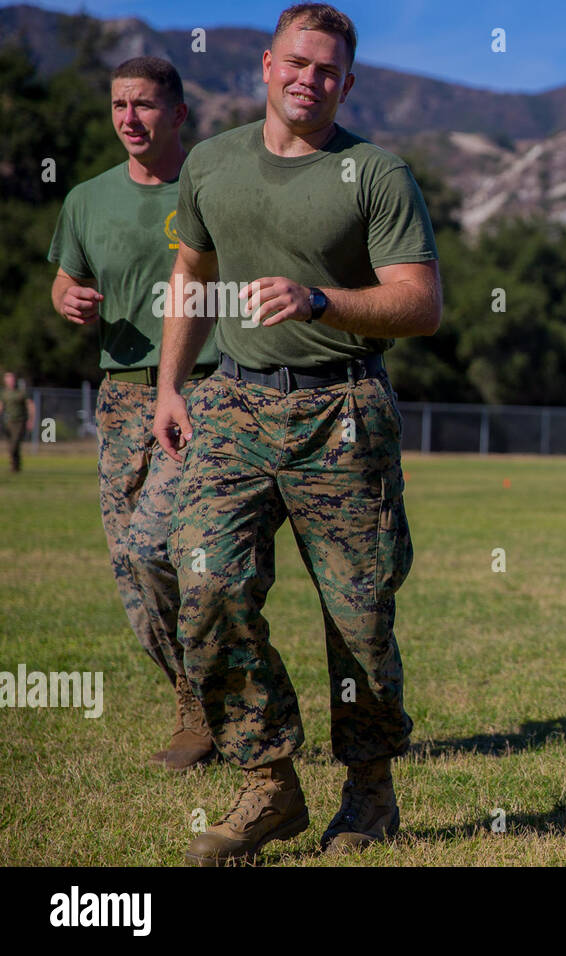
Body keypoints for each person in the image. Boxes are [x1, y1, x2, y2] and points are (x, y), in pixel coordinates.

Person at [151, 2, 441, 865]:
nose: (309, 79)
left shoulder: (376, 173)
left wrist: (323, 299)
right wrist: (170, 383)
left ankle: (370, 792)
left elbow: (420, 304)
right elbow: (191, 271)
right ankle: (269, 783)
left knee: (357, 620)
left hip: (343, 410)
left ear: (345, 83)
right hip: (232, 407)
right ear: (267, 66)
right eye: (297, 63)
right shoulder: (210, 163)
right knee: (204, 585)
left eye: (328, 70)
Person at [47, 57, 220, 769]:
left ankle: (228, 697)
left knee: (163, 548)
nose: (130, 119)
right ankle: (194, 698)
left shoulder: (211, 190)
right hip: (121, 396)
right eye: (120, 105)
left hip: (207, 389)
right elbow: (66, 277)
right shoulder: (86, 199)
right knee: (130, 564)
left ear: (179, 114)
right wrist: (65, 298)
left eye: (145, 105)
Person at [1, 371, 34, 472]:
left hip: (19, 422)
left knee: (14, 444)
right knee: (11, 445)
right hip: (8, 422)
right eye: (8, 379)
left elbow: (31, 405)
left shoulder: (21, 392)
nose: (10, 381)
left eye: (11, 379)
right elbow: (1, 406)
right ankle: (15, 466)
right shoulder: (4, 393)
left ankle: (15, 465)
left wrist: (31, 420)